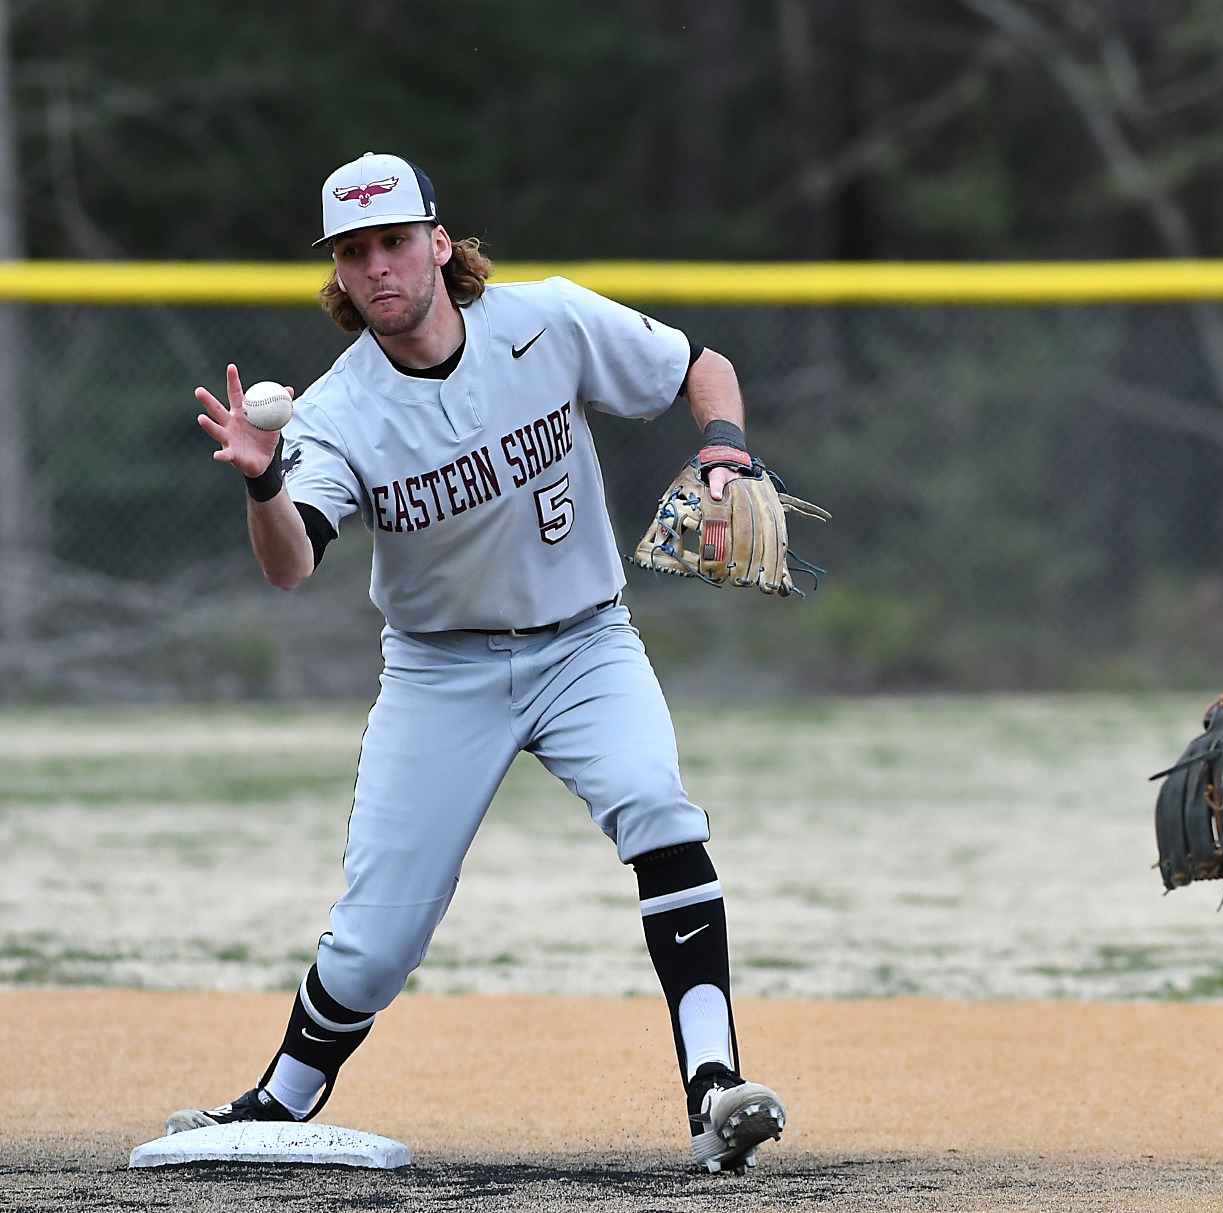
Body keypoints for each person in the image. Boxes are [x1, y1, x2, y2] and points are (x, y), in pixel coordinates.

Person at [173, 152, 786, 1174]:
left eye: (395, 242)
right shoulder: (335, 412)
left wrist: (722, 444)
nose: (377, 267)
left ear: (439, 244)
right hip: (439, 673)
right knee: (375, 942)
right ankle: (277, 1103)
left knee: (657, 806)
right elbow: (290, 566)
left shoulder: (544, 320)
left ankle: (715, 1089)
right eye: (354, 252)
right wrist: (263, 484)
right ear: (338, 273)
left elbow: (697, 365)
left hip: (585, 640)